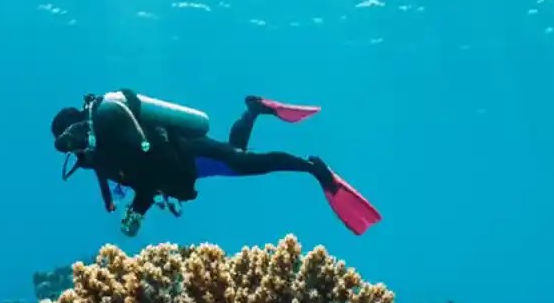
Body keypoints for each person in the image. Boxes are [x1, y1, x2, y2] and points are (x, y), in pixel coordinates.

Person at [51, 90, 381, 237]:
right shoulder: (100, 152)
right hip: (189, 166)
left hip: (190, 153)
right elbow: (134, 177)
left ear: (83, 126)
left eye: (75, 141)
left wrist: (136, 212)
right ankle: (253, 109)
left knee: (246, 162)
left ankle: (313, 169)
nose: (76, 152)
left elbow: (148, 172)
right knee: (236, 151)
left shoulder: (113, 133)